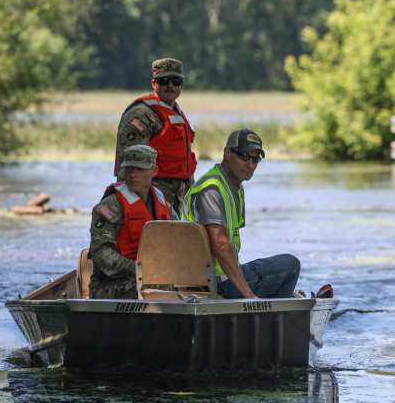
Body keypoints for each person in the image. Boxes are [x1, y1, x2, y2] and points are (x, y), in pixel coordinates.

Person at [183, 128, 300, 299]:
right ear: (227, 153)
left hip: (219, 278)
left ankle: (278, 303)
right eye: (244, 156)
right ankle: (275, 315)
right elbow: (220, 245)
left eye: (255, 159)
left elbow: (231, 244)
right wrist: (248, 294)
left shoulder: (235, 187)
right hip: (213, 283)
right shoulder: (212, 188)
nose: (250, 164)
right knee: (291, 265)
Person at [89, 145, 175, 299]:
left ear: (154, 171)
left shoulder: (162, 202)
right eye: (129, 169)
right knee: (158, 288)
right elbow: (102, 255)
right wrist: (141, 270)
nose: (133, 175)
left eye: (140, 169)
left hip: (154, 277)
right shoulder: (109, 206)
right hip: (110, 284)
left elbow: (179, 235)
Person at [113, 57, 196, 214]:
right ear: (154, 84)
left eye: (175, 81)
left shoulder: (177, 113)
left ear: (181, 85)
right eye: (164, 81)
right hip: (151, 199)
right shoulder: (140, 114)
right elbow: (129, 166)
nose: (170, 85)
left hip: (178, 200)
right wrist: (135, 206)